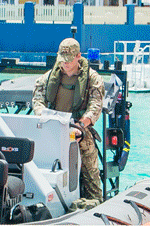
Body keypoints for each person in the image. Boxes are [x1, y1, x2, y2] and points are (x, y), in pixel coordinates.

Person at [32, 38, 105, 202]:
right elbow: (38, 100)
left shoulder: (93, 79)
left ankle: (95, 201)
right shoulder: (48, 77)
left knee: (90, 169)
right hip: (53, 128)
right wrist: (44, 117)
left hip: (79, 129)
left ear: (78, 56)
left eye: (69, 60)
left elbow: (95, 107)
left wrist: (80, 126)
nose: (65, 63)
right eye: (62, 59)